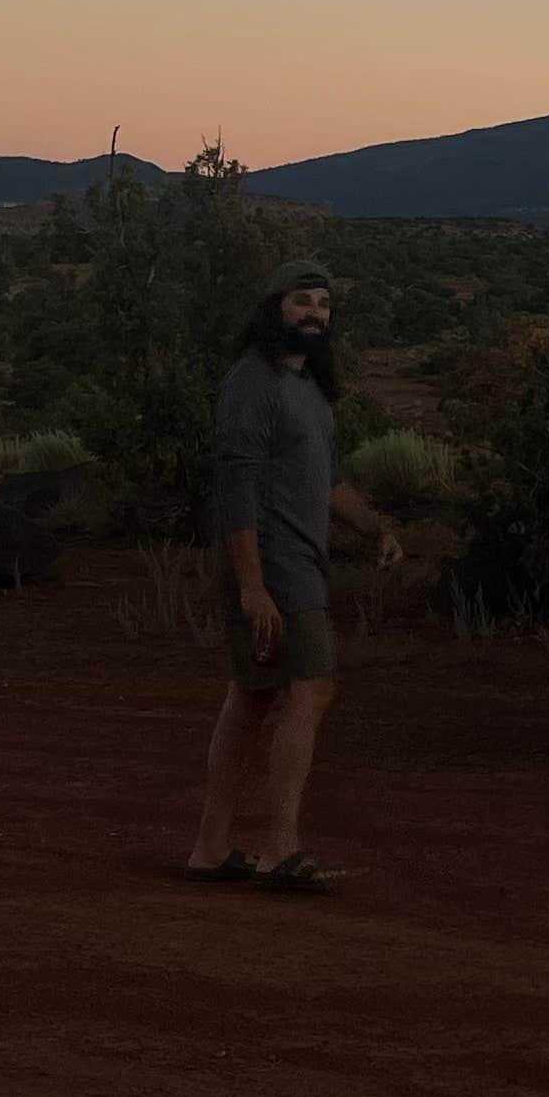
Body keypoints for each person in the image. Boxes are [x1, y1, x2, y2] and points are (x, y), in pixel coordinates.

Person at [185, 257, 398, 890]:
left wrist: (377, 528)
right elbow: (236, 487)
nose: (314, 313)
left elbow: (324, 481)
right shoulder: (252, 382)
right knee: (313, 686)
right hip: (274, 565)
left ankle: (210, 848)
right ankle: (280, 850)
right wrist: (252, 586)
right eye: (302, 301)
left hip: (300, 561)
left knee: (251, 698)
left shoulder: (306, 386)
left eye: (324, 304)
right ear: (275, 308)